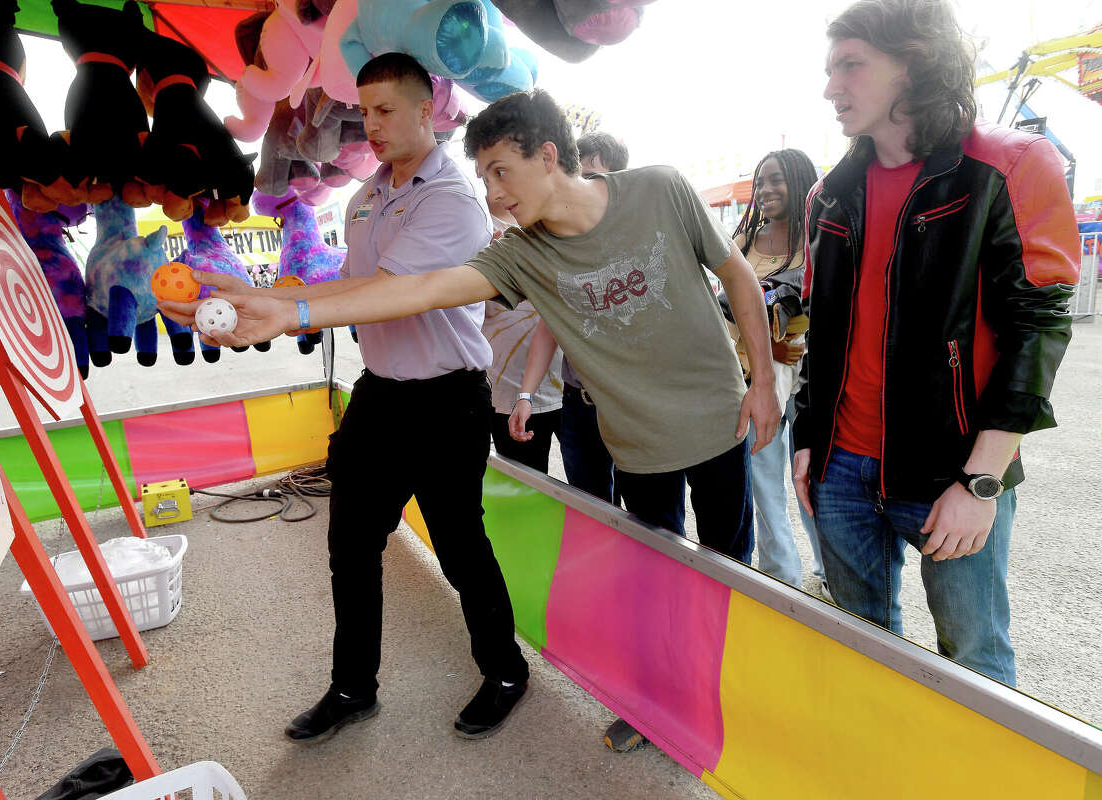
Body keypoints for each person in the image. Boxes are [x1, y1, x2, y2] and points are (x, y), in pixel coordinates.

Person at [160, 87, 780, 751]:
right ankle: (663, 707)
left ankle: (724, 705)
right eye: (483, 177)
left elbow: (737, 275)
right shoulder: (521, 254)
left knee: (727, 569)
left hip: (719, 420)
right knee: (659, 581)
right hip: (636, 443)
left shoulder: (660, 188)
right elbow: (418, 289)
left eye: (500, 173)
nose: (492, 195)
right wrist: (286, 308)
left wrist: (764, 381)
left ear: (548, 156)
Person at [793, 0, 1079, 686]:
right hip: (840, 472)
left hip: (955, 470)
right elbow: (821, 333)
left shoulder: (1010, 164)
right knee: (862, 652)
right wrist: (807, 437)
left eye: (851, 65)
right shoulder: (828, 194)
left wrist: (981, 481)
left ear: (914, 60)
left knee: (974, 660)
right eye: (830, 69)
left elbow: (1039, 328)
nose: (831, 86)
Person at [250, 52, 530, 744]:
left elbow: (380, 297)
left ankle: (505, 671)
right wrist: (261, 296)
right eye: (363, 111)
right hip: (379, 397)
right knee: (349, 545)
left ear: (426, 110)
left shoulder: (453, 201)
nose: (369, 126)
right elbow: (348, 280)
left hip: (447, 401)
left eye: (384, 111)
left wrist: (290, 310)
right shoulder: (364, 196)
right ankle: (352, 688)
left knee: (461, 551)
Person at [509, 132, 649, 510]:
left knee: (650, 517)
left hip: (633, 403)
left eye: (592, 176)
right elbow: (549, 326)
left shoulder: (640, 244)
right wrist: (525, 395)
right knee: (590, 509)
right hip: (580, 406)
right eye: (577, 175)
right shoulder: (561, 250)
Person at [726, 149, 824, 590]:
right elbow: (725, 303)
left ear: (800, 182)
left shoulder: (819, 238)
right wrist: (769, 337)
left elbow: (812, 306)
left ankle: (828, 577)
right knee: (764, 487)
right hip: (749, 379)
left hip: (806, 382)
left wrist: (786, 335)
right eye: (760, 181)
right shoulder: (744, 238)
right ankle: (780, 581)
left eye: (776, 180)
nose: (765, 191)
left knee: (812, 485)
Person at [482, 201, 564, 472]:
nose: (497, 187)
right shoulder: (473, 225)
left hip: (574, 388)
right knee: (525, 492)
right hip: (508, 391)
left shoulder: (559, 221)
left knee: (595, 496)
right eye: (491, 171)